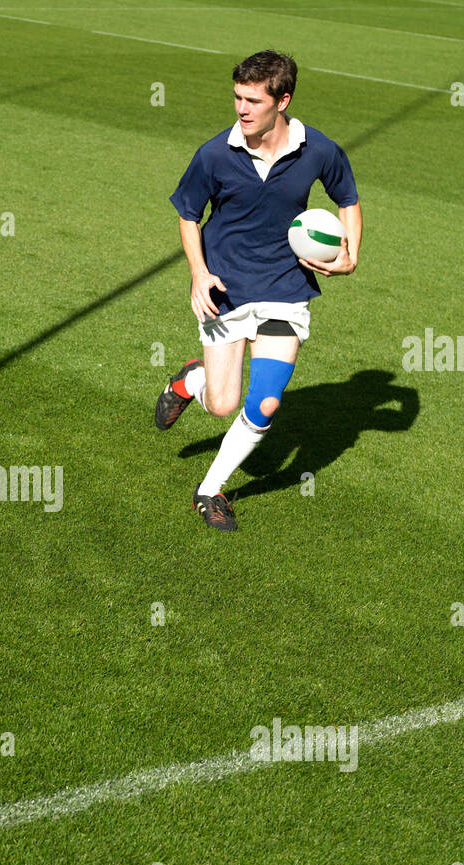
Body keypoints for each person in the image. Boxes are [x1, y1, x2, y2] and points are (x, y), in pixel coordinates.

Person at [155, 51, 361, 531]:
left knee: (266, 401)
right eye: (237, 98)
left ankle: (210, 491)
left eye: (252, 100)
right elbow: (188, 213)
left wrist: (351, 253)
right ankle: (191, 382)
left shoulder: (319, 150)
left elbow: (347, 196)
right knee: (223, 404)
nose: (241, 109)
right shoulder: (214, 153)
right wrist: (199, 273)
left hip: (285, 288)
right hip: (224, 286)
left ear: (282, 100)